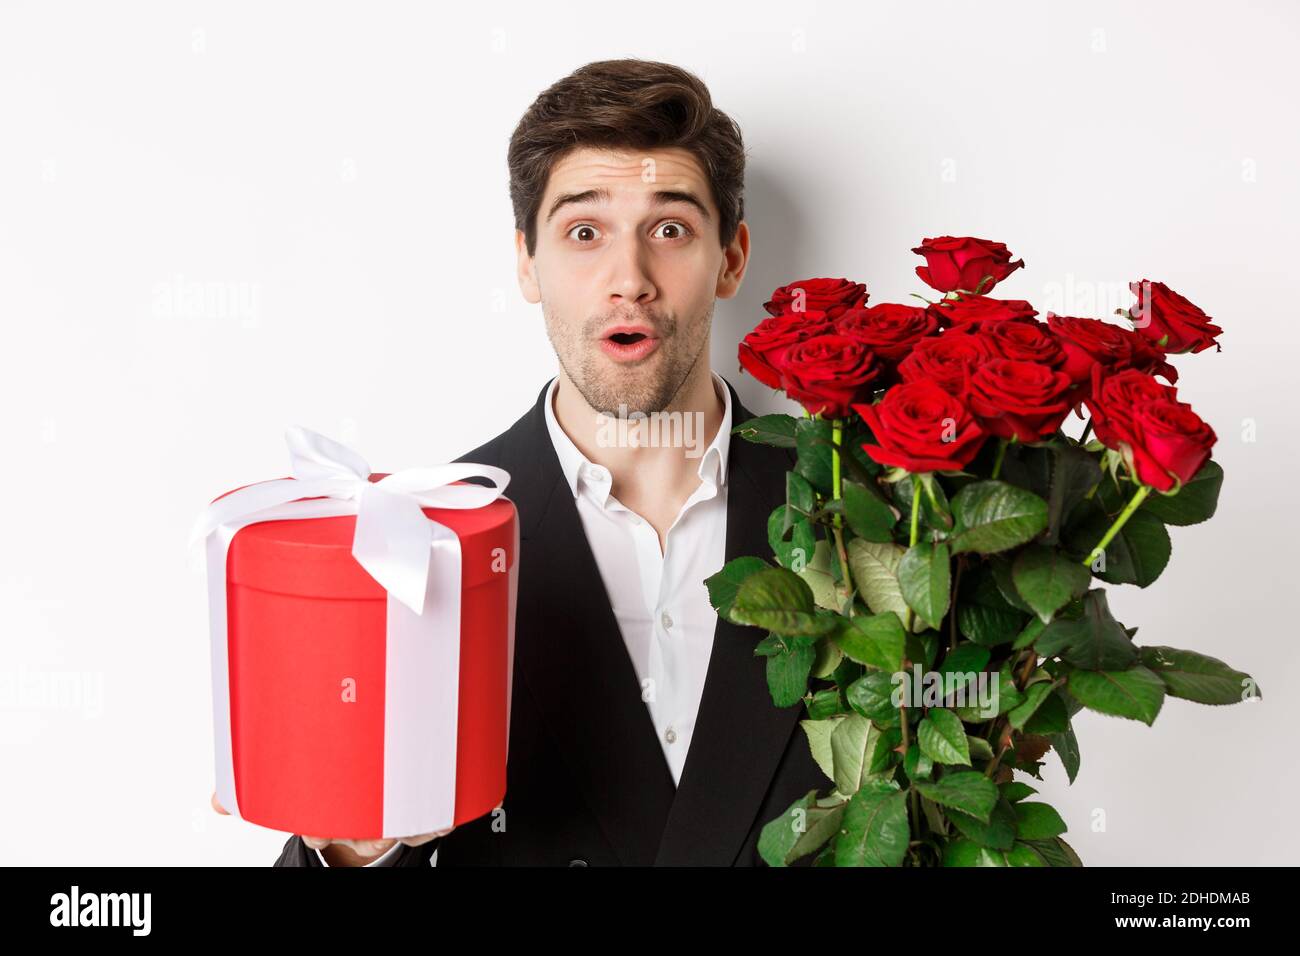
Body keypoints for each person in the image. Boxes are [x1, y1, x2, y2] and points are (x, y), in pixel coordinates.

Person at [213, 57, 823, 866]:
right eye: (583, 233)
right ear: (527, 264)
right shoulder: (418, 543)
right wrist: (357, 851)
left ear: (732, 257)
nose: (628, 280)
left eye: (669, 230)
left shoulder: (855, 516)